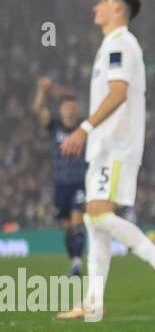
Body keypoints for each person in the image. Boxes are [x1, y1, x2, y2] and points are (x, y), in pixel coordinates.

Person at [56, 0, 155, 321]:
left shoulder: (121, 44)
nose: (95, 8)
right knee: (93, 220)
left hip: (116, 144)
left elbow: (119, 93)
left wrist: (83, 129)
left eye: (102, 2)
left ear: (117, 9)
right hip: (104, 146)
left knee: (99, 215)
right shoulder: (110, 45)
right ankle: (93, 303)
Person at [33, 79, 88, 276]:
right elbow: (39, 109)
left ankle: (77, 264)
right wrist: (42, 90)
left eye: (73, 107)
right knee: (67, 226)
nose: (70, 111)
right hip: (61, 183)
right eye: (67, 107)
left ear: (77, 109)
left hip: (80, 181)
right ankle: (74, 262)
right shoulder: (55, 127)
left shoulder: (84, 128)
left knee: (77, 221)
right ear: (61, 110)